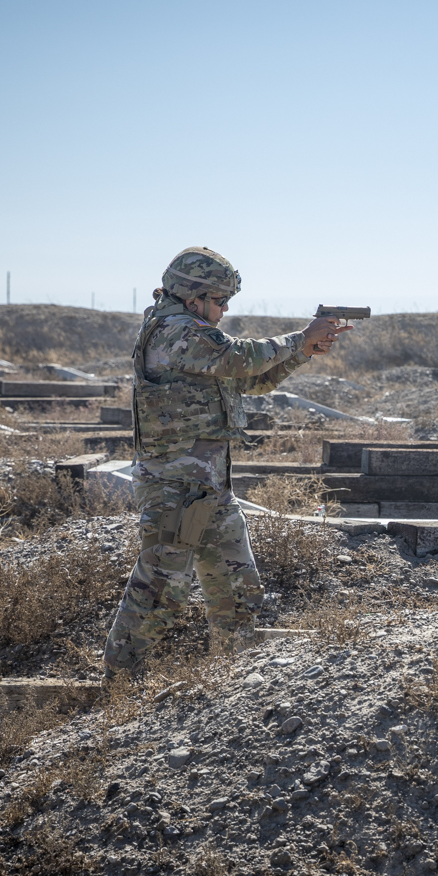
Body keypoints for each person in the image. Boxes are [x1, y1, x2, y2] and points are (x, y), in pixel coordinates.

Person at [101, 247, 348, 676]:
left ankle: (232, 679)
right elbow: (237, 357)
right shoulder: (174, 330)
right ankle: (119, 683)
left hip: (209, 488)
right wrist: (298, 338)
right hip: (175, 488)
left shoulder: (192, 332)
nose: (225, 309)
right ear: (193, 297)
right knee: (161, 590)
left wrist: (304, 351)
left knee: (237, 587)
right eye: (219, 300)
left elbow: (250, 379)